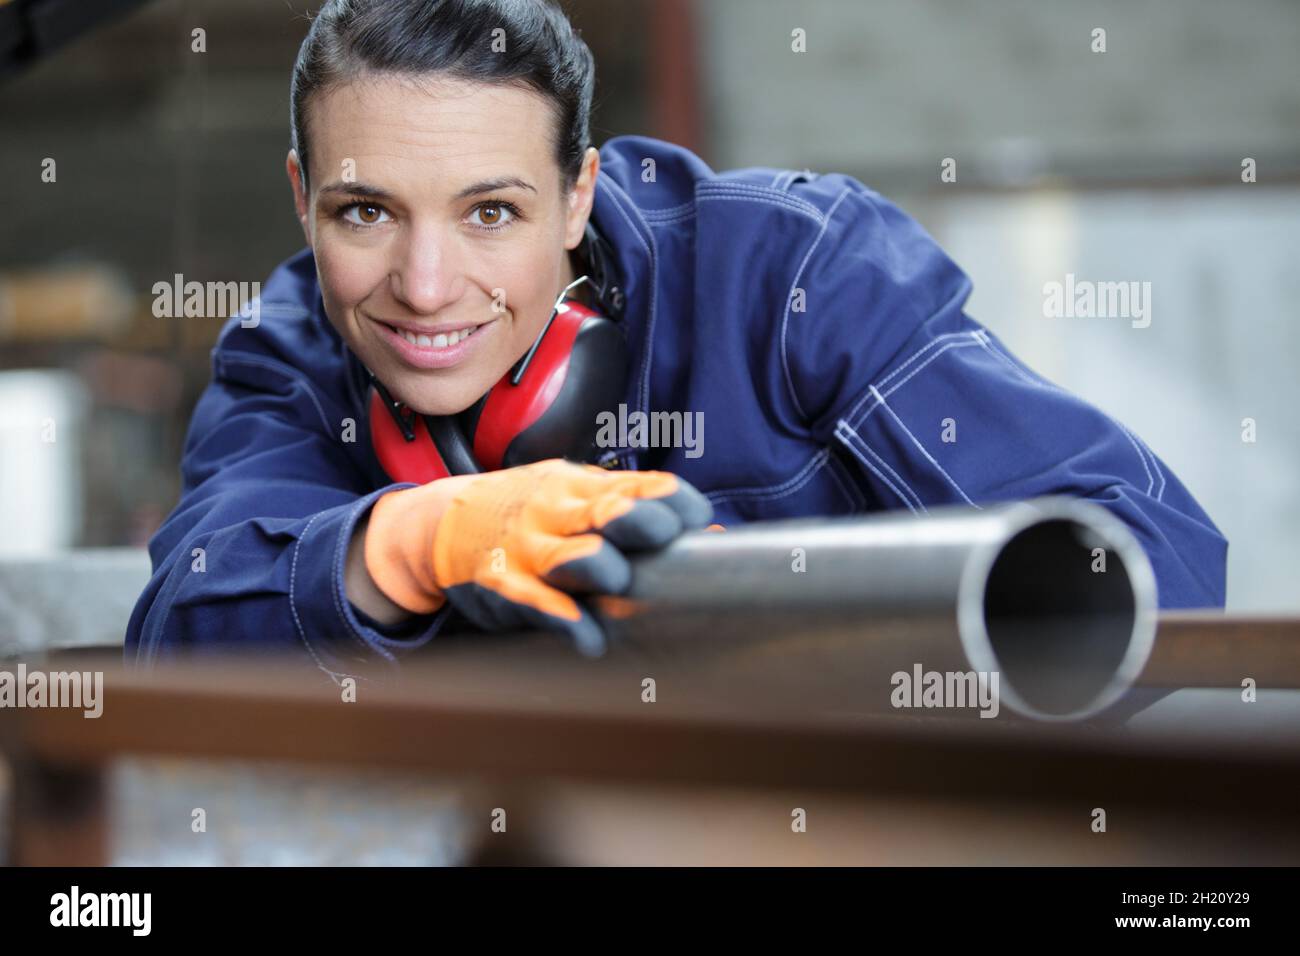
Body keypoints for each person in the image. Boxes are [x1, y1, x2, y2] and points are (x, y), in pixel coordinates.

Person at [127, 0, 1227, 678]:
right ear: (301, 197)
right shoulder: (290, 349)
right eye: (364, 212)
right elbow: (178, 635)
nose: (423, 288)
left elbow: (1153, 561)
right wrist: (412, 544)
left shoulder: (791, 272)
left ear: (577, 195)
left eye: (491, 212)